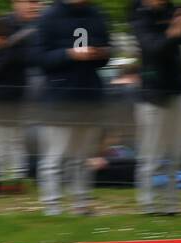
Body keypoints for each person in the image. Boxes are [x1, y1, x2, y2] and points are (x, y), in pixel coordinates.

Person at [37, 0, 112, 215]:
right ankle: (52, 206)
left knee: (82, 155)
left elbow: (107, 52)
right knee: (56, 156)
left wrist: (100, 53)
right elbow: (40, 58)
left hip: (89, 95)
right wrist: (69, 54)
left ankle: (82, 204)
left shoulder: (97, 14)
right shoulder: (49, 17)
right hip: (59, 97)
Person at [131, 0, 181, 215]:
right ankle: (148, 205)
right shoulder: (139, 14)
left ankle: (171, 205)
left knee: (176, 153)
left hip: (177, 90)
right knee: (151, 153)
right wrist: (173, 32)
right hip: (154, 94)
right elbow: (153, 49)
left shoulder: (172, 9)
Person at [0, 0, 41, 194]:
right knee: (0, 142)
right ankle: (0, 179)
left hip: (13, 99)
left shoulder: (10, 53)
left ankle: (15, 179)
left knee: (13, 141)